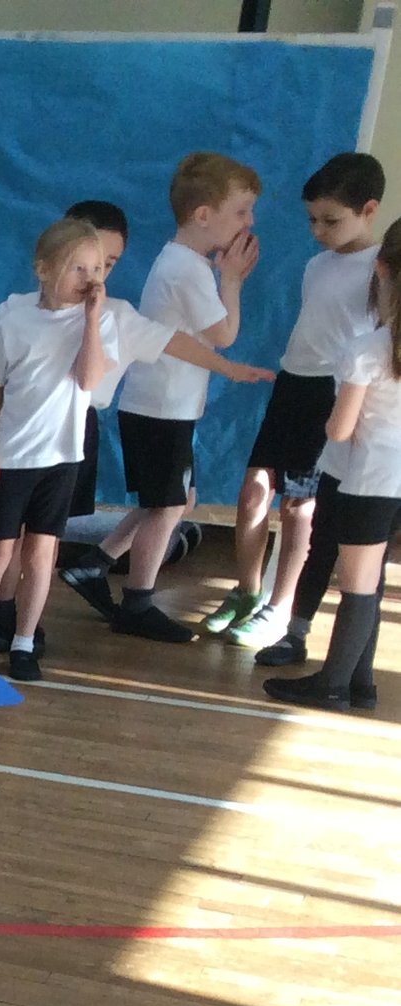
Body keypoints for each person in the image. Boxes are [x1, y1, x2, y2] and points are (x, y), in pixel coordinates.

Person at [0, 220, 267, 677]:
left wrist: (228, 368)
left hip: (67, 451)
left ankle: (25, 638)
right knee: (0, 549)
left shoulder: (110, 316)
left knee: (43, 550)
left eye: (104, 267)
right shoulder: (16, 315)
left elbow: (104, 371)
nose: (94, 278)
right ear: (45, 268)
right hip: (15, 453)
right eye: (82, 267)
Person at [206, 152, 384, 651]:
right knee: (253, 491)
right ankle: (246, 590)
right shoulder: (314, 265)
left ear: (368, 210)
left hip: (332, 392)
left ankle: (280, 608)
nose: (319, 230)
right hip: (294, 383)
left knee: (300, 507)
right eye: (312, 220)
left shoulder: (379, 268)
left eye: (332, 220)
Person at [83, 153, 265, 641]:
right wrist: (232, 280)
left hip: (164, 404)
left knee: (175, 499)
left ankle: (94, 563)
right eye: (242, 212)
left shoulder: (183, 261)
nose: (249, 223)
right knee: (167, 505)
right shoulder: (188, 269)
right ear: (204, 215)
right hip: (161, 406)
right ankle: (137, 601)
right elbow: (223, 334)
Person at [262, 219, 401, 711]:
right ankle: (360, 682)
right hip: (395, 485)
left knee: (357, 586)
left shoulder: (368, 350)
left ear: (382, 271)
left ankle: (334, 685)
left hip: (365, 481)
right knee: (374, 577)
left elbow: (339, 430)